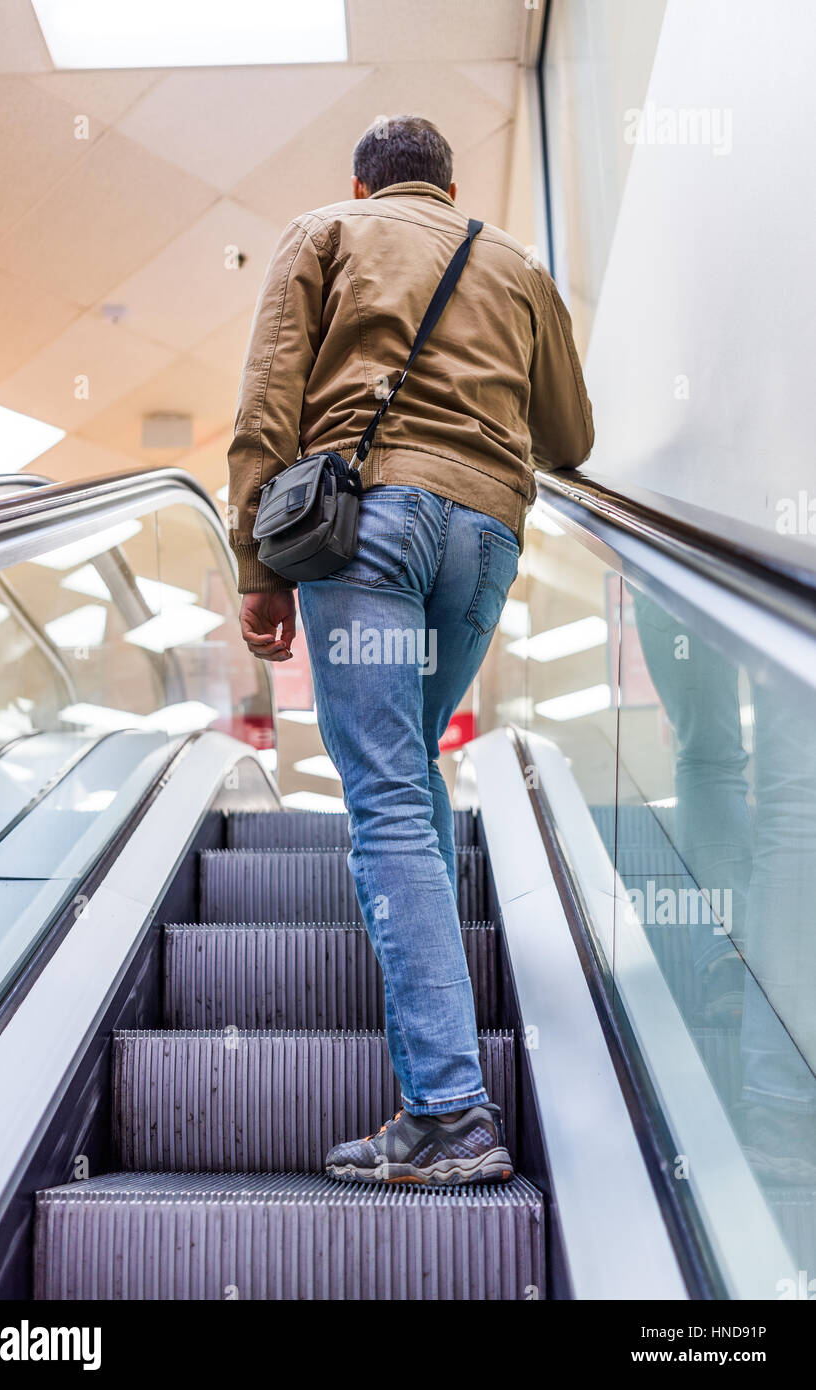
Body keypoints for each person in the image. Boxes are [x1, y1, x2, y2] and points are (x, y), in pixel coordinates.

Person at [227, 115, 593, 1185]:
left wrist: (259, 570)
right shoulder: (516, 264)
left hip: (369, 528)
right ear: (444, 187)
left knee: (383, 789)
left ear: (362, 181)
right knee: (411, 760)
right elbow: (569, 438)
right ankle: (443, 1074)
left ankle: (448, 1111)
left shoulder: (322, 230)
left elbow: (267, 406)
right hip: (482, 534)